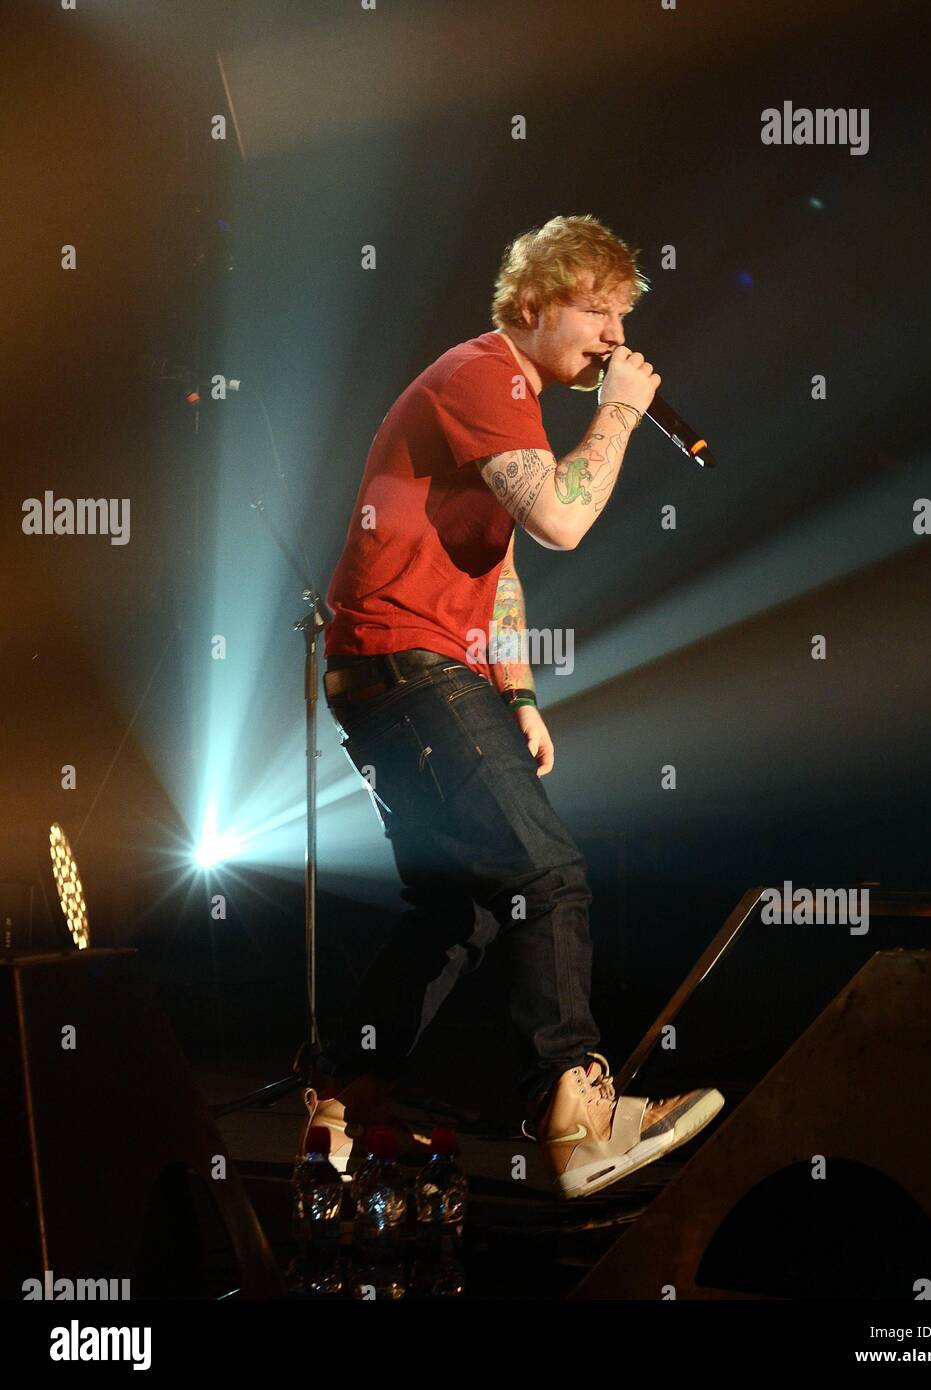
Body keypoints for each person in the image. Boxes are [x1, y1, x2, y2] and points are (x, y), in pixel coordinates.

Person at [299, 214, 723, 1200]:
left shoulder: (508, 399)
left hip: (400, 670)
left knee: (456, 906)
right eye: (596, 309)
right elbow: (562, 517)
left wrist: (519, 692)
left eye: (621, 315)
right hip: (407, 662)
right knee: (546, 870)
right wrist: (618, 412)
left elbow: (501, 565)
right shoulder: (481, 372)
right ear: (529, 304)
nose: (614, 335)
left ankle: (347, 1099)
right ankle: (576, 1116)